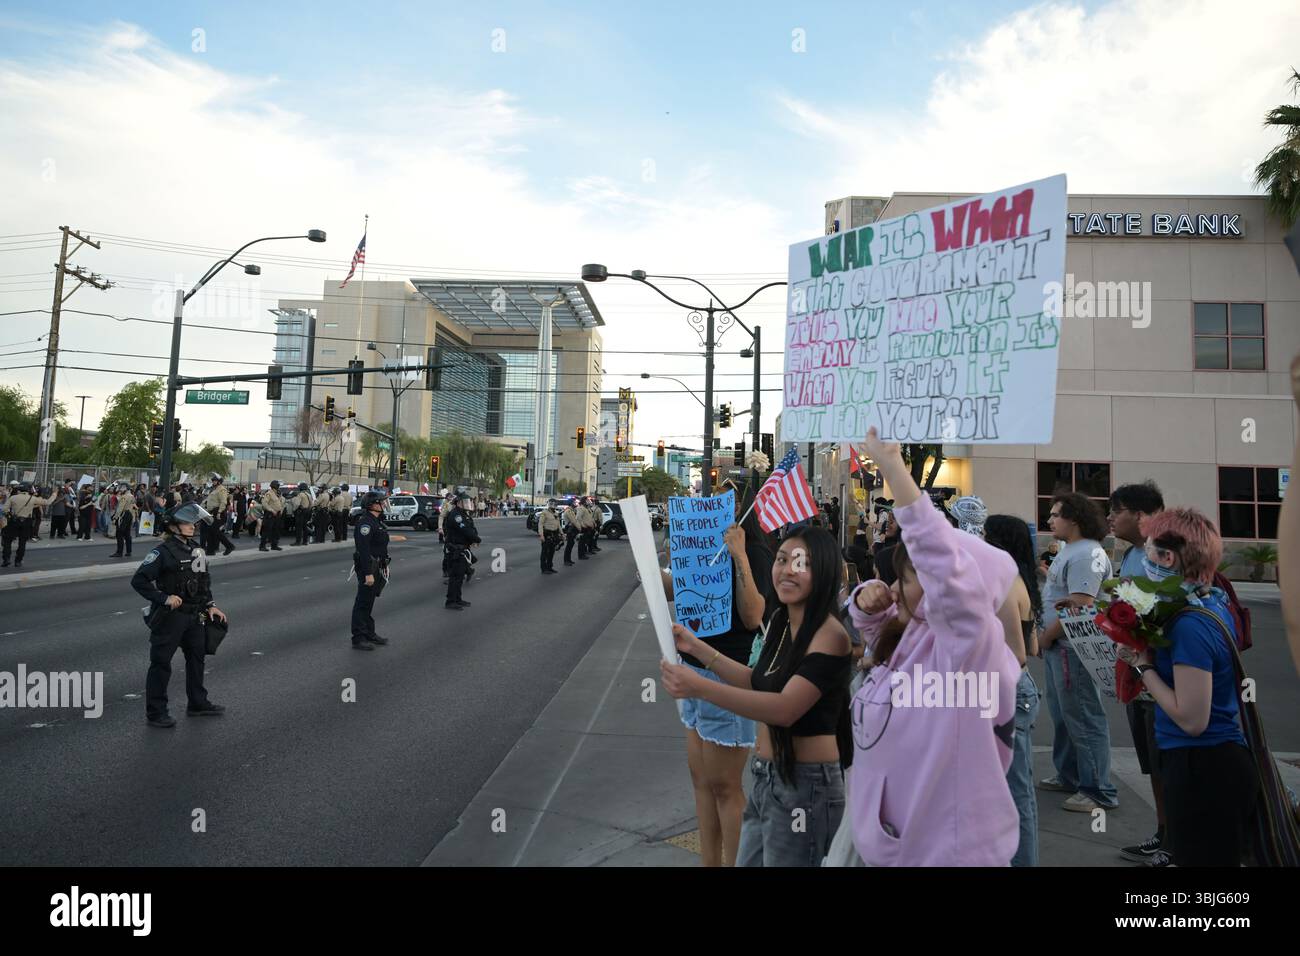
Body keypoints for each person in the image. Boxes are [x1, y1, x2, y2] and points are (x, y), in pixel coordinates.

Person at [845, 427, 1021, 866]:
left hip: (948, 854)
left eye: (908, 577)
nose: (897, 587)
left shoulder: (968, 650)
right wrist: (866, 600)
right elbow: (877, 629)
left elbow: (947, 575)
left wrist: (893, 469)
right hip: (897, 848)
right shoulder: (919, 638)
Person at [661, 526, 848, 867]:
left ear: (823, 571)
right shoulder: (781, 621)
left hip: (804, 786)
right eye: (781, 559)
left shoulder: (829, 634)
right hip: (767, 777)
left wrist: (699, 686)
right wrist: (697, 649)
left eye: (800, 562)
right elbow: (756, 680)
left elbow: (785, 708)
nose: (786, 569)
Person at [1117, 508, 1259, 866]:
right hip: (1208, 762)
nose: (1144, 560)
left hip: (1204, 766)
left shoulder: (1190, 625)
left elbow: (1192, 719)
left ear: (1167, 557)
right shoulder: (1210, 600)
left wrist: (1142, 664)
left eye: (1149, 550)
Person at [657, 479, 774, 867]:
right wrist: (649, 564)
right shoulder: (704, 545)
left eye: (726, 497)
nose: (714, 502)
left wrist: (739, 555)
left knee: (725, 785)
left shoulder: (755, 551)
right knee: (702, 782)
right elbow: (679, 587)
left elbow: (753, 614)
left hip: (729, 676)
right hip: (693, 671)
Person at [1038, 492, 1118, 812]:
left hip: (1073, 648)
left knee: (1084, 716)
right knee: (1064, 714)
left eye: (1056, 514)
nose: (1050, 520)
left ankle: (1098, 789)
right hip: (1063, 647)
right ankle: (1070, 775)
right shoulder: (1073, 550)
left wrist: (1046, 637)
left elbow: (1082, 603)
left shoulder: (1086, 553)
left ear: (1074, 518)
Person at [1107, 480, 1171, 867]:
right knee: (1154, 764)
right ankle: (1164, 834)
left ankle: (1178, 840)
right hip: (1138, 674)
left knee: (1170, 763)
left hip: (1161, 676)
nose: (1110, 517)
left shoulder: (1165, 554)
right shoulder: (1131, 553)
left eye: (1118, 510)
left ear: (1143, 516)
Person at [132, 502, 227, 728]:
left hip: (195, 615)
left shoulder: (196, 549)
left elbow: (203, 581)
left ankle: (197, 703)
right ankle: (156, 712)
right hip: (171, 616)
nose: (192, 526)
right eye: (186, 522)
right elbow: (139, 580)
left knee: (196, 659)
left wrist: (211, 605)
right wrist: (163, 598)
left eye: (192, 522)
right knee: (161, 663)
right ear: (173, 527)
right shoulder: (162, 552)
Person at [984, 514, 1044, 867]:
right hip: (1019, 689)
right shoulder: (1021, 581)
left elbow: (1018, 653)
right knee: (1014, 788)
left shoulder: (1004, 583)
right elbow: (1033, 646)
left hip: (1009, 690)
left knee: (1015, 791)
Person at [351, 489, 391, 650]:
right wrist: (368, 573)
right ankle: (358, 637)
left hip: (378, 565)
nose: (383, 504)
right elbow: (364, 550)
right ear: (371, 505)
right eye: (381, 502)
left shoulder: (376, 521)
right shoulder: (365, 523)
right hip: (368, 567)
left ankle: (369, 633)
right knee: (362, 602)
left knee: (369, 602)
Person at [2, 482, 56, 568]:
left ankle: (6, 559)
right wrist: (54, 494)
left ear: (19, 489)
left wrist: (9, 515)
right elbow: (48, 502)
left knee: (7, 541)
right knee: (22, 542)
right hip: (27, 521)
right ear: (28, 489)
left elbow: (4, 509)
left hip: (14, 520)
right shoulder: (32, 498)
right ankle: (18, 561)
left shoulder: (13, 497)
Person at [443, 493, 480, 610]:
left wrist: (474, 538)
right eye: (465, 501)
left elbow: (471, 528)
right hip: (456, 549)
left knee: (460, 577)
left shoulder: (463, 514)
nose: (468, 504)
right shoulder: (456, 515)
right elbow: (465, 530)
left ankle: (457, 599)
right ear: (459, 503)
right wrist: (476, 539)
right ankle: (451, 601)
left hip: (463, 548)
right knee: (455, 577)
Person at [203, 474, 235, 556]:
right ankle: (210, 551)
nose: (213, 482)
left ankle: (229, 546)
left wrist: (219, 512)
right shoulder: (214, 489)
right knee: (210, 531)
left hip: (218, 513)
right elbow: (209, 501)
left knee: (215, 531)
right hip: (211, 512)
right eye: (213, 480)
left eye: (215, 480)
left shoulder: (222, 490)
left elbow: (223, 502)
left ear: (219, 481)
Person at [109, 484, 139, 558]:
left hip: (124, 515)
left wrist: (115, 518)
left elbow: (120, 508)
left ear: (125, 489)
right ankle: (129, 551)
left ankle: (119, 552)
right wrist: (134, 517)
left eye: (121, 489)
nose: (120, 490)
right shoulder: (132, 496)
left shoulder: (124, 497)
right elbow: (135, 507)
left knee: (119, 534)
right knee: (127, 534)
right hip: (130, 515)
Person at [259, 480, 285, 551]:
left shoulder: (278, 494)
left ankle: (274, 545)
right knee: (267, 530)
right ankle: (262, 546)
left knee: (276, 531)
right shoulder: (269, 493)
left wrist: (281, 511)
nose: (278, 487)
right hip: (270, 514)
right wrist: (271, 510)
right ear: (274, 486)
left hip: (277, 514)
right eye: (277, 485)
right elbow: (264, 503)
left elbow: (281, 503)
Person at [537, 501, 561, 574]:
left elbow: (558, 525)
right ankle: (544, 569)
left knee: (551, 552)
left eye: (555, 504)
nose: (555, 506)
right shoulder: (544, 513)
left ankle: (549, 567)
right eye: (553, 504)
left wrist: (562, 534)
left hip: (554, 534)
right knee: (545, 552)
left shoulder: (556, 513)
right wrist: (541, 535)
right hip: (547, 534)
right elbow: (540, 524)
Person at [291, 482, 312, 546]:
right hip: (307, 511)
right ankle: (305, 541)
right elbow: (311, 504)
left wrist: (294, 510)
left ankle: (298, 542)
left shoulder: (300, 495)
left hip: (301, 513)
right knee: (305, 527)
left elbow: (297, 504)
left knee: (299, 528)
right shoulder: (309, 495)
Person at [562, 501, 582, 565]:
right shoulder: (569, 511)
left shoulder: (572, 510)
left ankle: (569, 559)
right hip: (570, 529)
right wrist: (579, 528)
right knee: (569, 545)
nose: (575, 504)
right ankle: (566, 560)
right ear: (570, 504)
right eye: (574, 503)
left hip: (572, 529)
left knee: (571, 544)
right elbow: (573, 521)